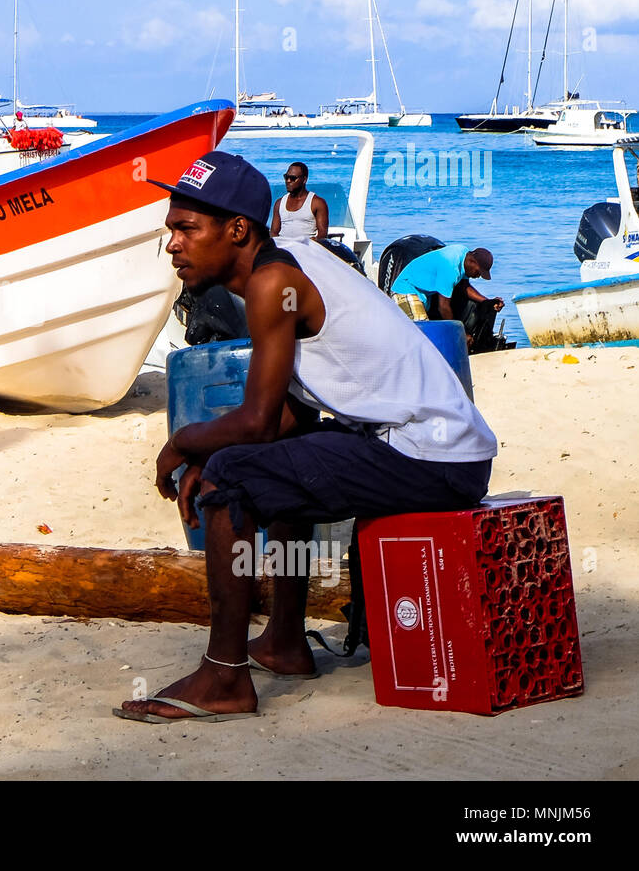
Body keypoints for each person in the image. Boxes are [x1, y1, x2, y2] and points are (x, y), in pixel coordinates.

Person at [114, 151, 497, 723]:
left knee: (229, 478)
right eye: (171, 230)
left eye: (186, 229)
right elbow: (286, 420)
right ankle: (285, 641)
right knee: (267, 461)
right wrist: (230, 447)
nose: (172, 244)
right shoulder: (286, 265)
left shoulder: (274, 281)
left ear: (237, 229)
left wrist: (187, 445)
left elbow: (258, 419)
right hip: (433, 451)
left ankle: (223, 677)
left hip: (430, 456)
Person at [390, 244, 503, 323]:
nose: (478, 276)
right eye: (478, 272)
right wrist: (459, 334)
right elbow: (443, 306)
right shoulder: (450, 267)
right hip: (406, 289)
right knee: (422, 333)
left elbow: (463, 286)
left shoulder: (463, 253)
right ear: (472, 262)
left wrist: (487, 302)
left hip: (422, 294)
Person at [269, 161, 328, 241]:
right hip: (284, 249)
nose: (288, 181)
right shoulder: (279, 203)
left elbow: (322, 234)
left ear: (304, 180)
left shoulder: (317, 203)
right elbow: (274, 233)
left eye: (293, 178)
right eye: (286, 177)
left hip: (306, 249)